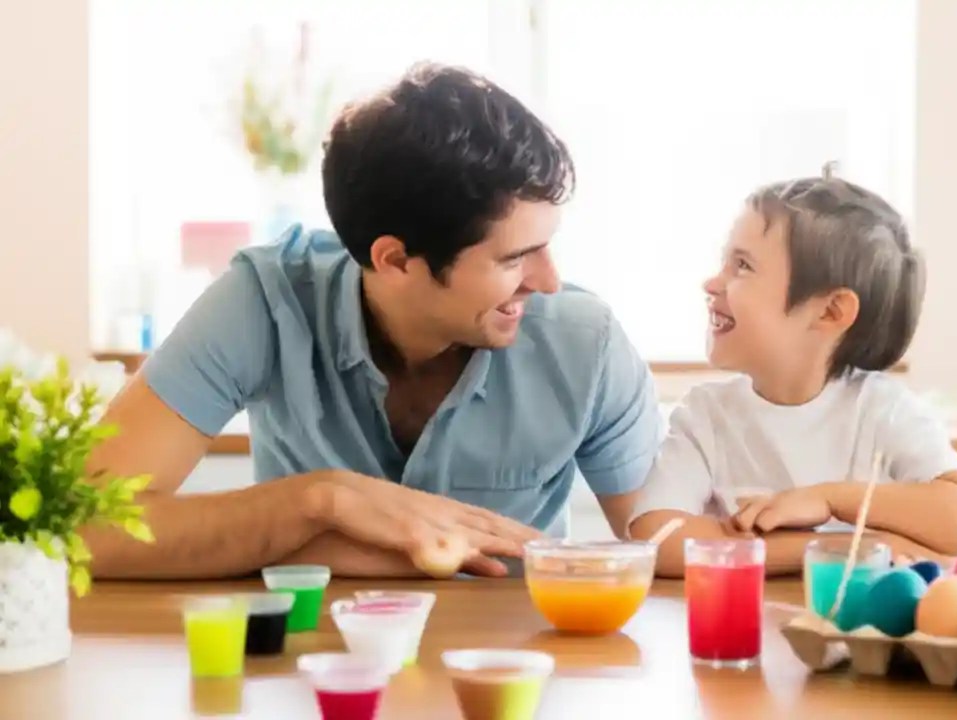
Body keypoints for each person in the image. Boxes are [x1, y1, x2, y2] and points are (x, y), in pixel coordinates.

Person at [84, 62, 662, 580]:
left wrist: (313, 547)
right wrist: (321, 499)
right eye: (513, 258)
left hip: (511, 677)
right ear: (394, 259)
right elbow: (86, 530)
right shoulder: (262, 302)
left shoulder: (585, 342)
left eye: (545, 246)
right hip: (315, 666)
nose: (548, 281)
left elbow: (667, 545)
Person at [628, 172, 957, 577]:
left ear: (830, 312)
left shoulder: (881, 411)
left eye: (743, 266)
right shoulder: (706, 414)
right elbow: (657, 538)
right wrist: (848, 548)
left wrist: (830, 500)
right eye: (725, 262)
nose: (712, 283)